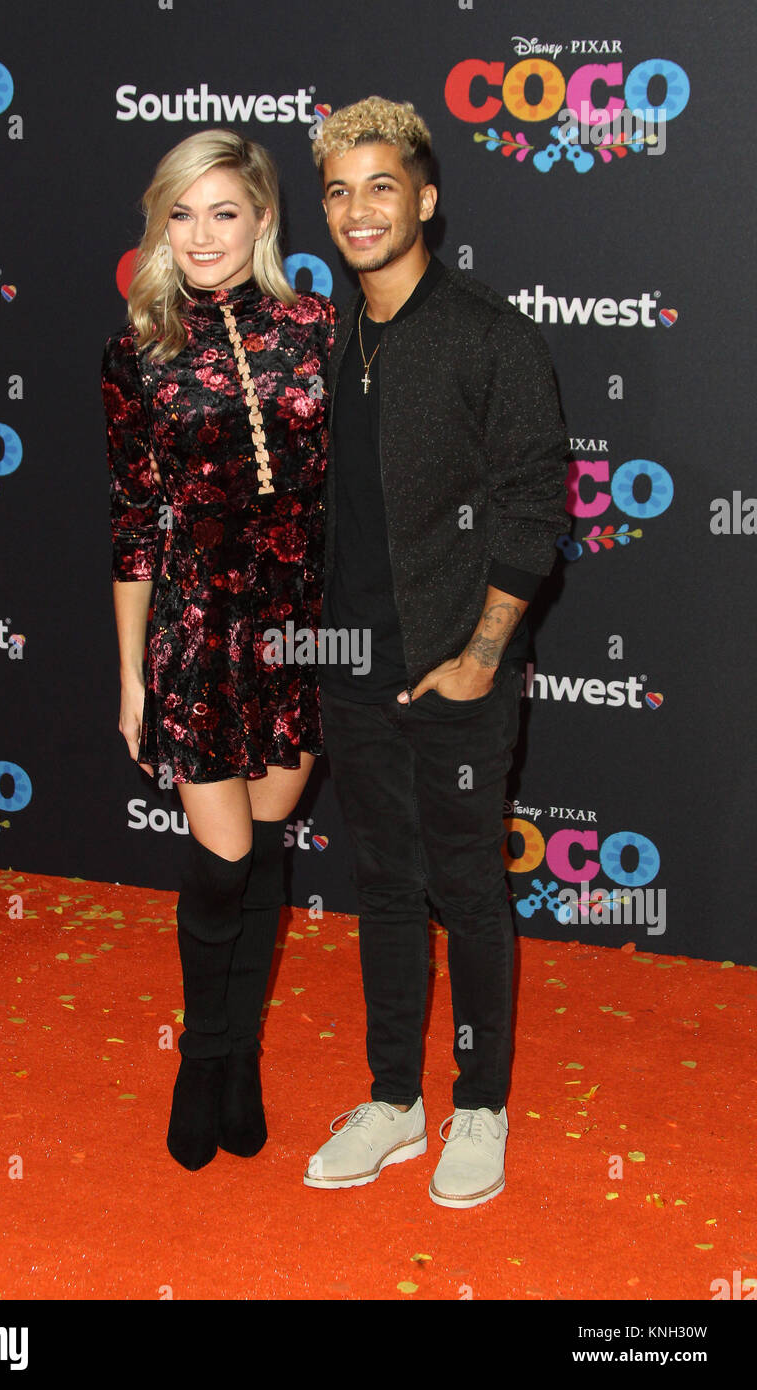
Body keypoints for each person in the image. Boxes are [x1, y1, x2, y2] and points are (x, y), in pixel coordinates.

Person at [303, 97, 569, 1207]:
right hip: (351, 667)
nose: (358, 210)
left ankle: (479, 1105)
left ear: (424, 198)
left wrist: (480, 654)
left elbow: (533, 508)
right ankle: (393, 1101)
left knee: (465, 889)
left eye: (379, 187)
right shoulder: (324, 338)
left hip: (456, 673)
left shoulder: (486, 333)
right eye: (337, 190)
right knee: (382, 888)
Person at [102, 129, 335, 1171]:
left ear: (261, 221)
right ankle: (205, 1059)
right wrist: (128, 673)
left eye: (224, 211)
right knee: (222, 862)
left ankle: (239, 1059)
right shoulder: (135, 353)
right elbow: (133, 520)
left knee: (270, 841)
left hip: (295, 628)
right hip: (196, 635)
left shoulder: (317, 330)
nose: (201, 234)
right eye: (181, 213)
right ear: (160, 224)